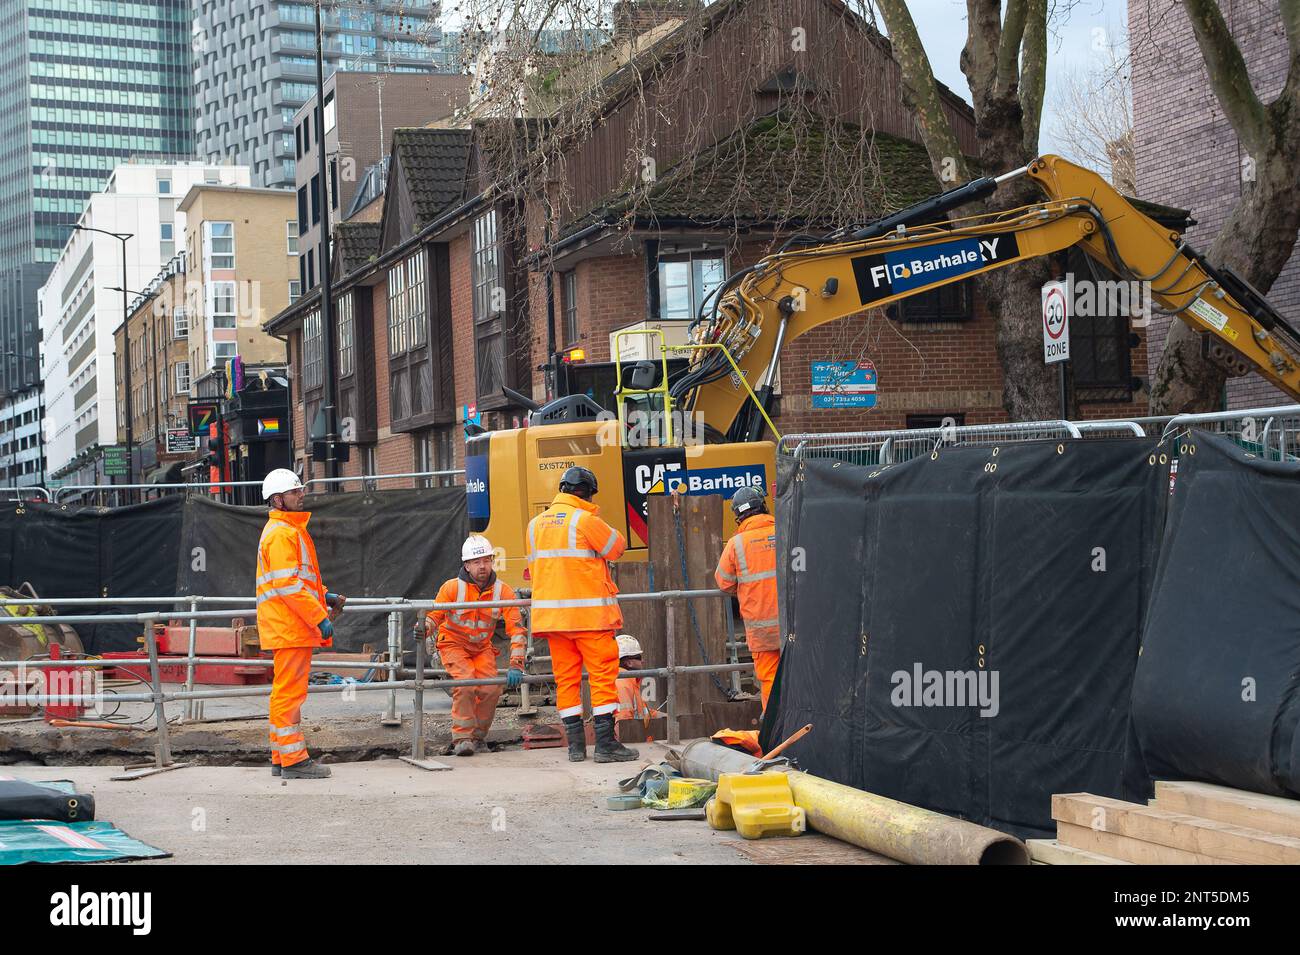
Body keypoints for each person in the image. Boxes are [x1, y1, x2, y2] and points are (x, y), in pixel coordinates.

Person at [527, 466, 638, 763]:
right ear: (587, 493)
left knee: (566, 681)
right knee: (602, 678)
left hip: (553, 621)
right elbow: (616, 548)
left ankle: (576, 748)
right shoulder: (585, 520)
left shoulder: (534, 525)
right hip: (589, 619)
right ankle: (605, 745)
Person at [256, 468, 345, 779]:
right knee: (290, 694)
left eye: (299, 490)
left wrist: (325, 595)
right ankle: (294, 761)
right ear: (279, 500)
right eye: (295, 492)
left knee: (285, 693)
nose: (301, 495)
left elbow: (301, 581)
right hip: (290, 626)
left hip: (288, 625)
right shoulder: (282, 534)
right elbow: (289, 585)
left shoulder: (288, 531)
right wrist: (319, 616)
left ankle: (282, 756)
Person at [425, 535, 526, 756]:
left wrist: (516, 664)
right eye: (477, 561)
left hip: (481, 647)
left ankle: (478, 738)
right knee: (466, 683)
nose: (483, 566)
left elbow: (517, 629)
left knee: (491, 689)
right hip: (453, 644)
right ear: (467, 565)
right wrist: (424, 628)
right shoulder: (452, 588)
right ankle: (461, 738)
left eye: (487, 560)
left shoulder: (503, 591)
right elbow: (435, 615)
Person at [715, 485, 780, 711]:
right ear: (763, 506)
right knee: (801, 674)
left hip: (761, 628)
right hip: (796, 623)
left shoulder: (737, 544)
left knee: (770, 678)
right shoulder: (786, 531)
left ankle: (777, 730)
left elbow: (723, 582)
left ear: (738, 516)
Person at [614, 634, 661, 722]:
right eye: (639, 657)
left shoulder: (630, 682)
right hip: (628, 734)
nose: (642, 661)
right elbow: (624, 721)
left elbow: (644, 713)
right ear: (629, 663)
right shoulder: (622, 683)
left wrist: (666, 716)